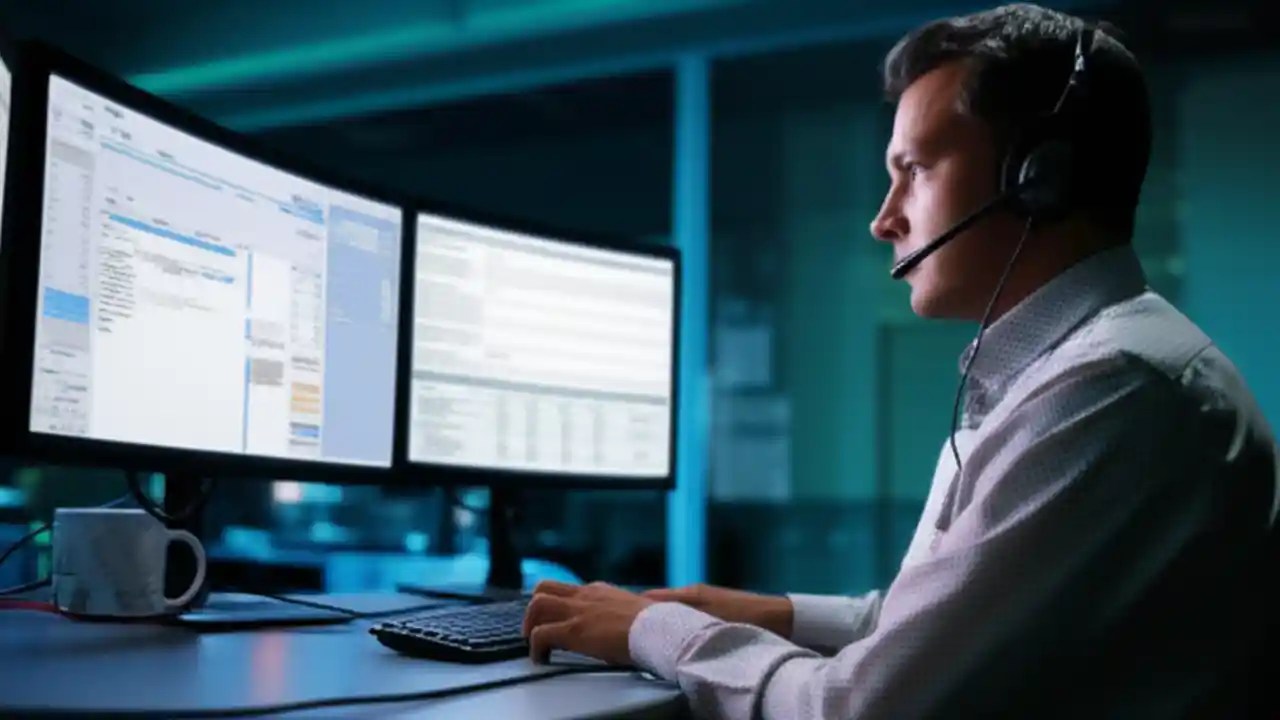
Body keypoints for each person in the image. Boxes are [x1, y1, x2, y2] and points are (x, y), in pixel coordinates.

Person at [521, 4, 1279, 717]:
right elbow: (945, 631)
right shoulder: (1074, 368)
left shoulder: (1109, 392)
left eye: (913, 169)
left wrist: (649, 634)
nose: (884, 219)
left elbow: (862, 707)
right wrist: (759, 612)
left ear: (1035, 178)